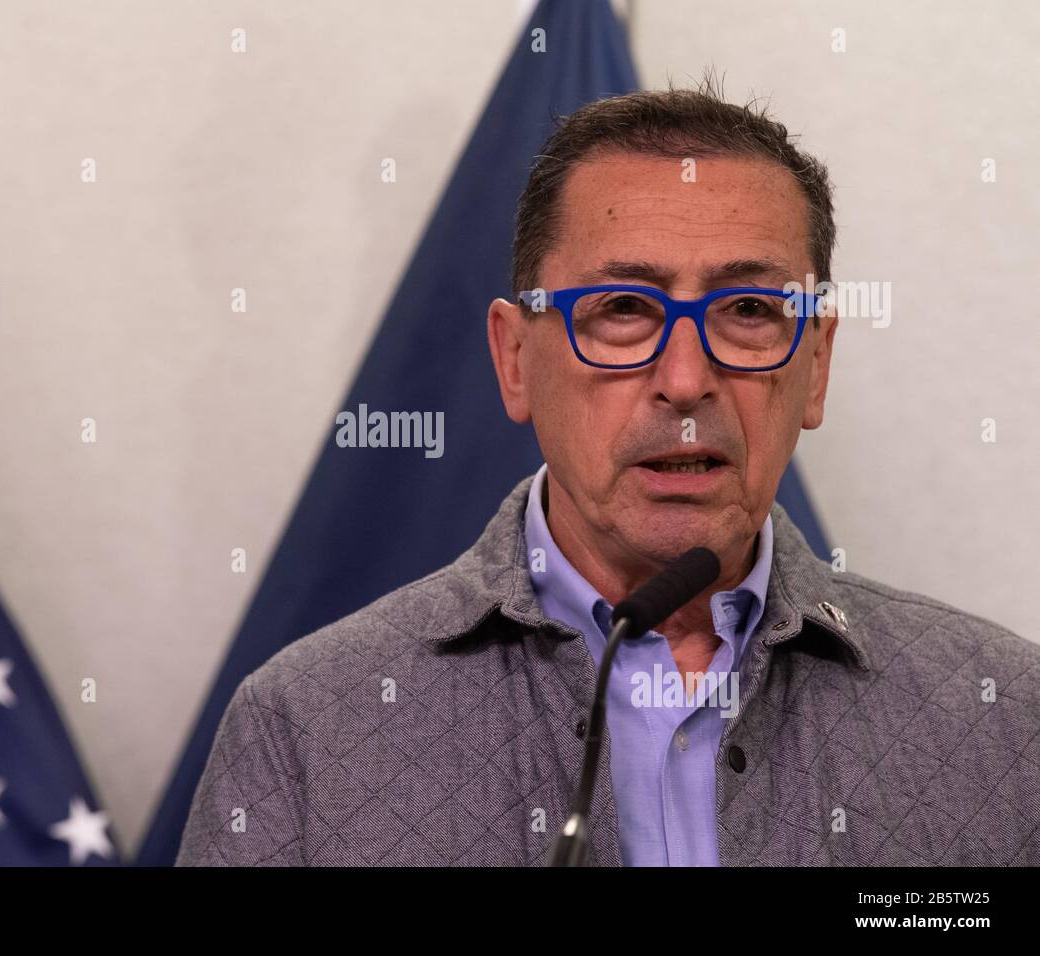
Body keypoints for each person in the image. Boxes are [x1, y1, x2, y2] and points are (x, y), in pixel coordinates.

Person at [176, 81, 1040, 866]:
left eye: (747, 311)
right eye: (625, 310)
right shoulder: (304, 730)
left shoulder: (1005, 719)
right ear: (515, 360)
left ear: (815, 366)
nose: (687, 379)